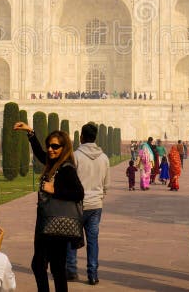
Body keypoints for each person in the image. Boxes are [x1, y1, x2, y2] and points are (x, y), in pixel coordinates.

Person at [14, 121, 84, 292]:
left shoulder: (66, 168)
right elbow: (40, 154)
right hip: (47, 222)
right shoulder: (55, 163)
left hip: (54, 224)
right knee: (51, 267)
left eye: (55, 146)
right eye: (49, 145)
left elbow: (79, 193)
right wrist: (30, 132)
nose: (51, 149)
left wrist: (55, 190)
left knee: (46, 266)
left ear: (64, 148)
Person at [66, 122, 110, 285]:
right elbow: (107, 184)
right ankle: (92, 274)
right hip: (96, 205)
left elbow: (70, 182)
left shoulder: (75, 156)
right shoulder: (104, 158)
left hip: (77, 205)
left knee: (72, 238)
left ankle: (71, 271)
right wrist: (98, 195)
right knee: (93, 241)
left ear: (81, 137)